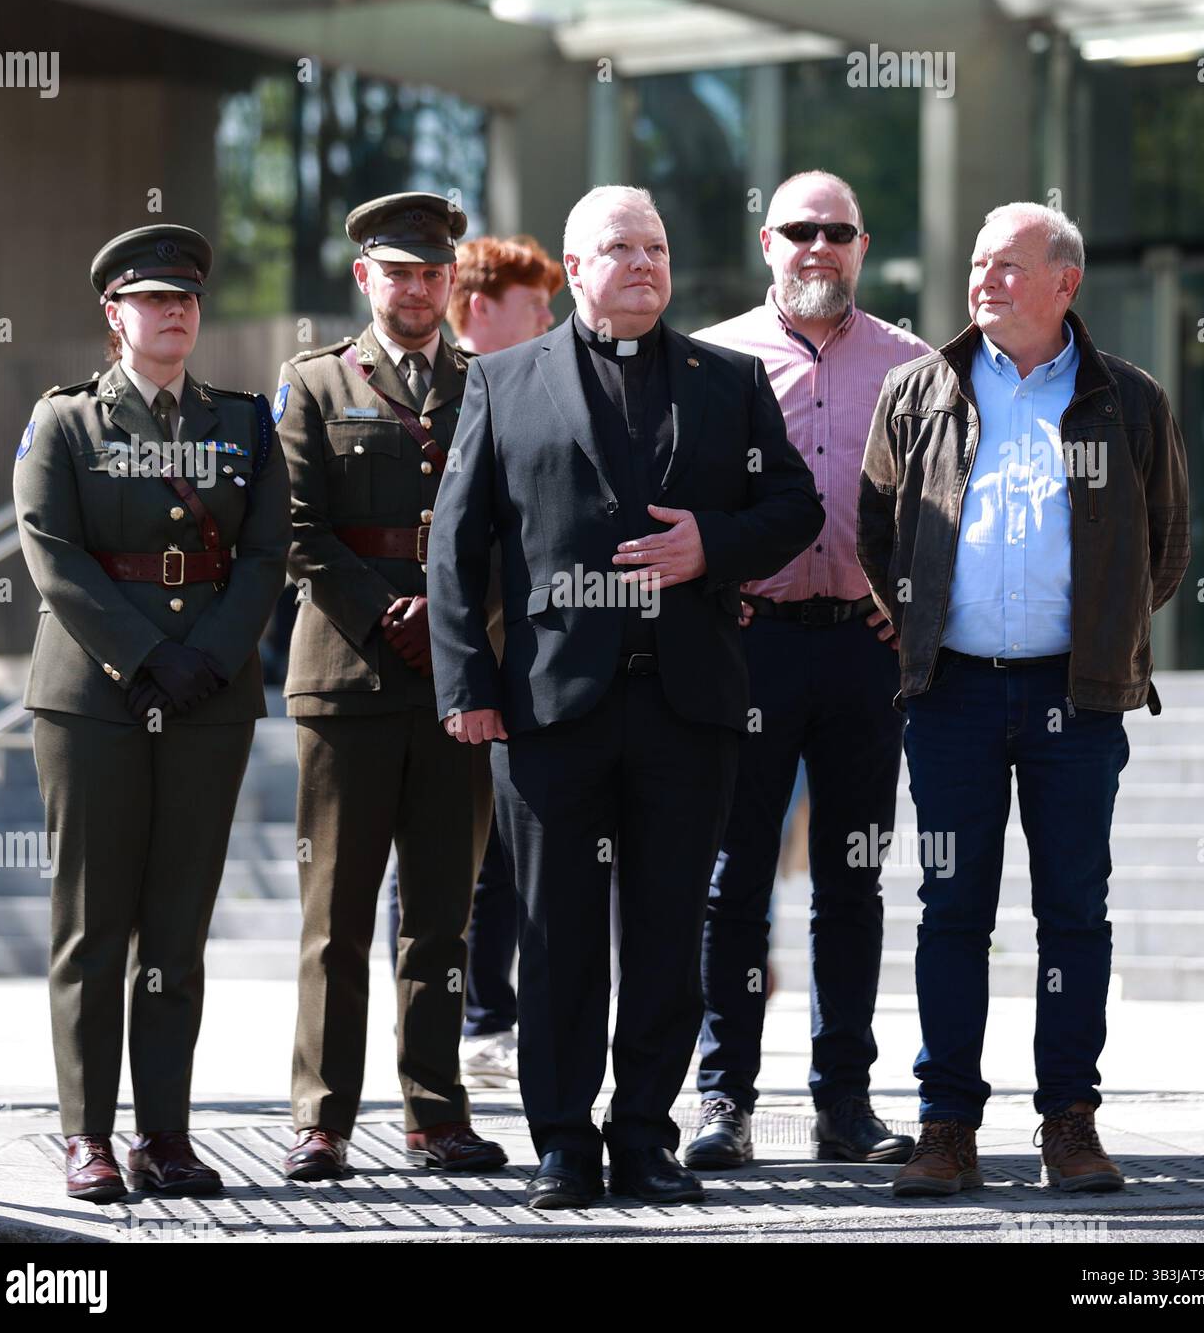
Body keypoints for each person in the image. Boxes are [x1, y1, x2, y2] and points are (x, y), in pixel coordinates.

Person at [427, 185, 824, 1209]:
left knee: (664, 932)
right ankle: (562, 1138)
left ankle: (643, 1134)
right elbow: (455, 544)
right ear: (573, 265)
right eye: (620, 247)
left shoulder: (728, 382)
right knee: (554, 936)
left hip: (687, 708)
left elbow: (793, 505)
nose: (644, 262)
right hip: (550, 710)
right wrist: (466, 682)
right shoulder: (504, 382)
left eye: (656, 245)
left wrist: (713, 545)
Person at [856, 202, 1191, 1196]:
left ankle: (1069, 1123)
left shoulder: (1128, 400)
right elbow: (878, 529)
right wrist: (918, 624)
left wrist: (1099, 636)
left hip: (1076, 700)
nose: (984, 281)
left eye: (1008, 266)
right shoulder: (920, 391)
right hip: (950, 693)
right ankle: (945, 1125)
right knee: (949, 910)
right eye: (977, 264)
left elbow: (1163, 547)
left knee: (1072, 915)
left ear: (1064, 282)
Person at [12, 224, 291, 1202]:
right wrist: (145, 656)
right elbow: (53, 552)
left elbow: (264, 554)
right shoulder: (65, 423)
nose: (174, 311)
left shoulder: (245, 424)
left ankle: (164, 1134)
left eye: (187, 297)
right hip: (95, 697)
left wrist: (207, 657)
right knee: (92, 922)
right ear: (114, 314)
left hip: (207, 698)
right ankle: (87, 1132)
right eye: (152, 297)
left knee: (177, 926)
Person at [684, 170, 927, 1171]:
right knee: (734, 878)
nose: (818, 245)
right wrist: (710, 590)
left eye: (837, 231)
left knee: (853, 880)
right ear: (767, 242)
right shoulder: (714, 359)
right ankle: (722, 1100)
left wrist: (911, 603)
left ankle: (845, 1105)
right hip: (752, 651)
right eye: (800, 230)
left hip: (866, 659)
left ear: (863, 245)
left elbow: (943, 503)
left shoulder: (913, 365)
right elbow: (678, 495)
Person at [276, 192, 505, 1182]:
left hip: (455, 682)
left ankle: (436, 1114)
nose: (415, 289)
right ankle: (321, 1118)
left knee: (442, 916)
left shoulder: (494, 384)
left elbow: (517, 527)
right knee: (336, 917)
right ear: (364, 277)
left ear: (452, 281)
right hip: (346, 678)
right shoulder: (313, 382)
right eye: (396, 272)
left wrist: (452, 624)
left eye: (431, 273)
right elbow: (290, 525)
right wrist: (385, 611)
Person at [386, 233, 565, 1087]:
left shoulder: (534, 391)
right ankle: (448, 1026)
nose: (551, 321)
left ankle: (489, 1013)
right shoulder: (428, 389)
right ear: (481, 307)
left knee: (495, 853)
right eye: (536, 307)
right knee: (432, 864)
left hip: (511, 659)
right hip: (408, 655)